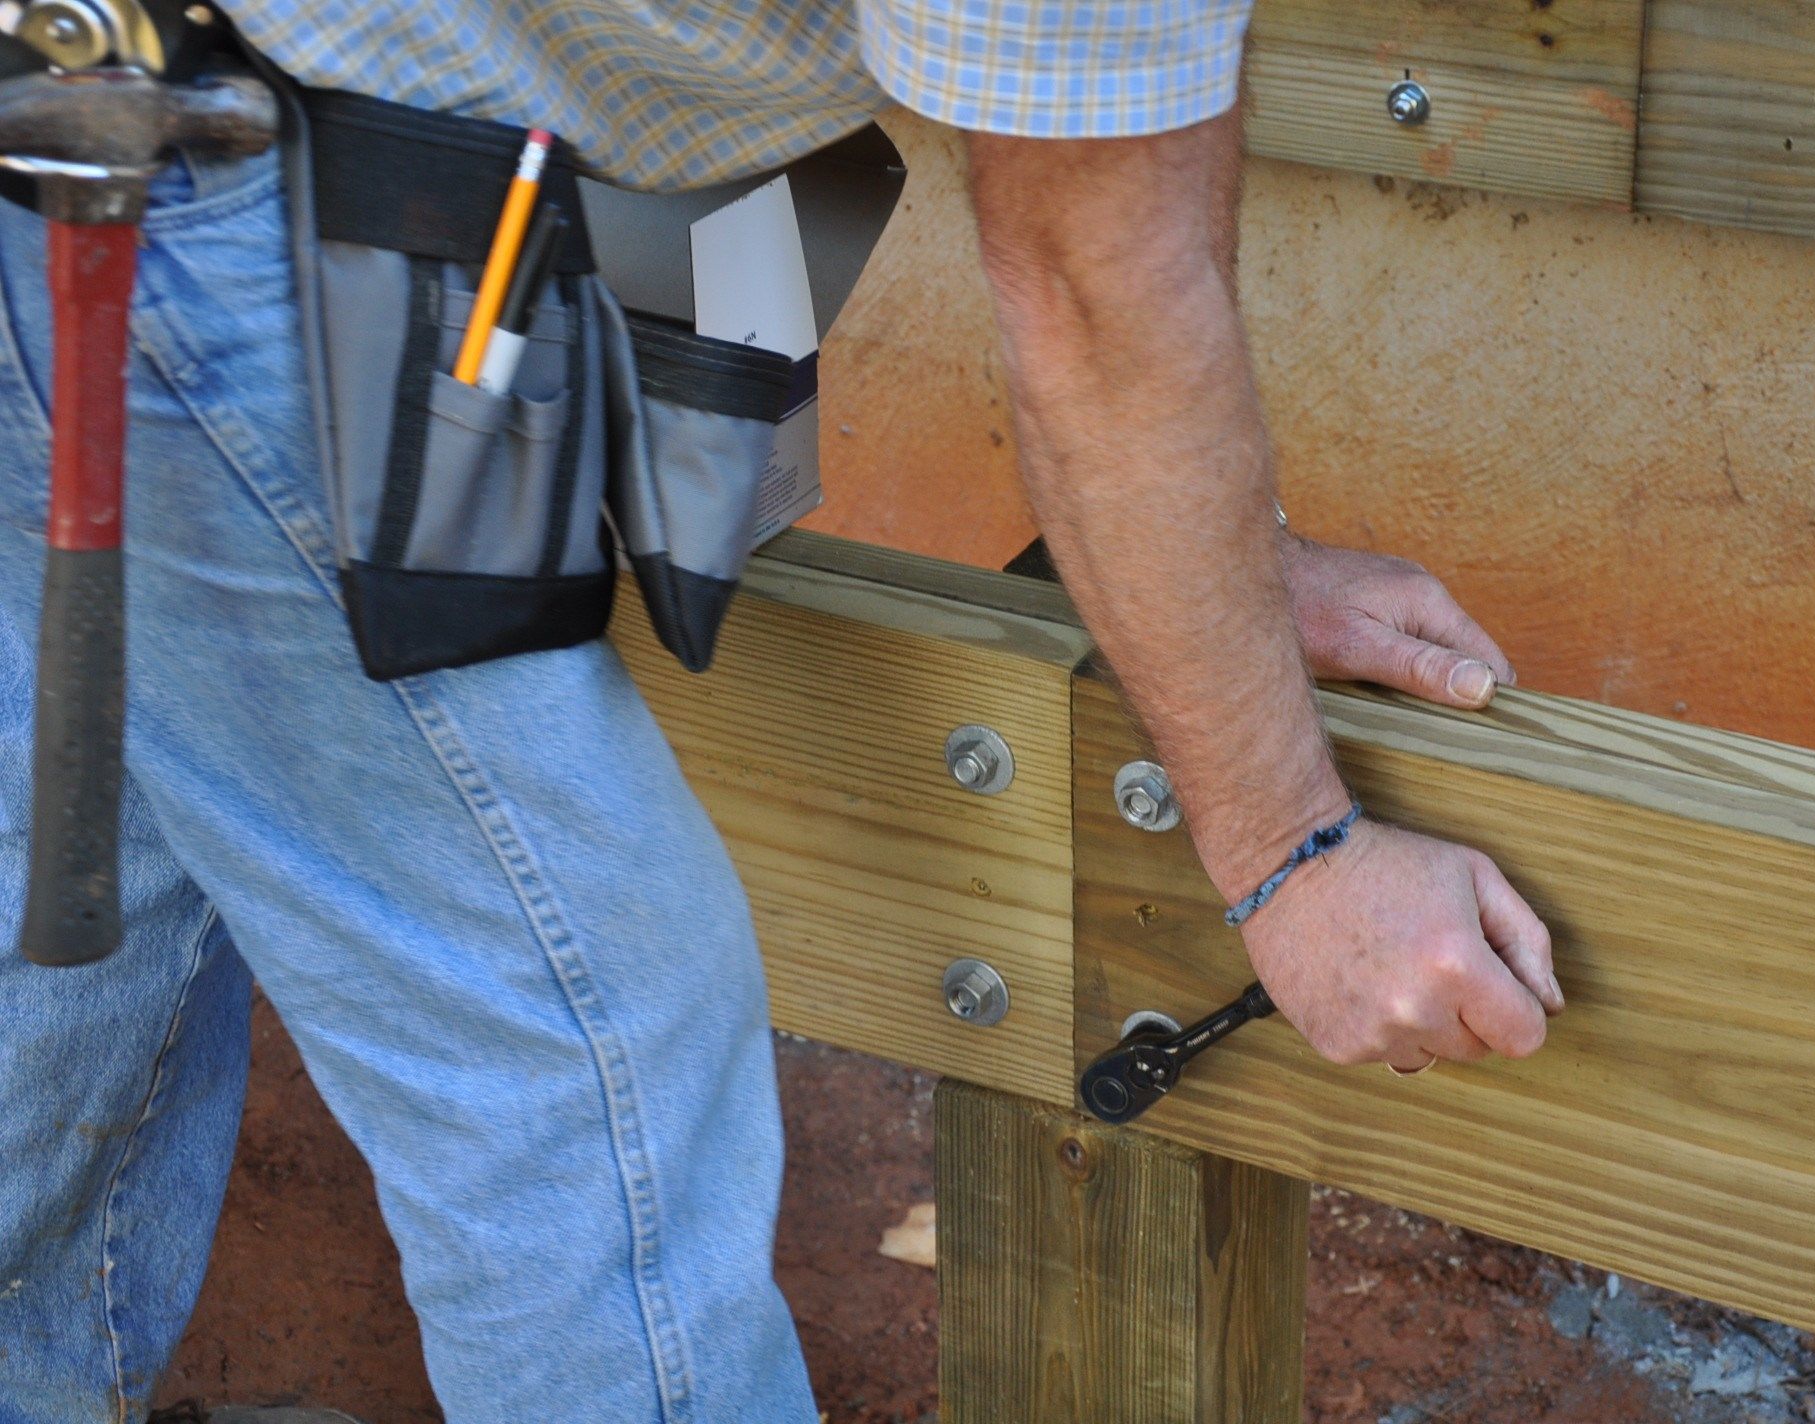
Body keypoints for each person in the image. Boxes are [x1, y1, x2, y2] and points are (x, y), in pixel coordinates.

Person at [0, 0, 1563, 1419]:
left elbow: (1103, 165)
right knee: (587, 1051)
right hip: (204, 197)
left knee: (80, 892)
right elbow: (1089, 275)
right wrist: (1292, 856)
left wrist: (1215, 561)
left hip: (133, 135)